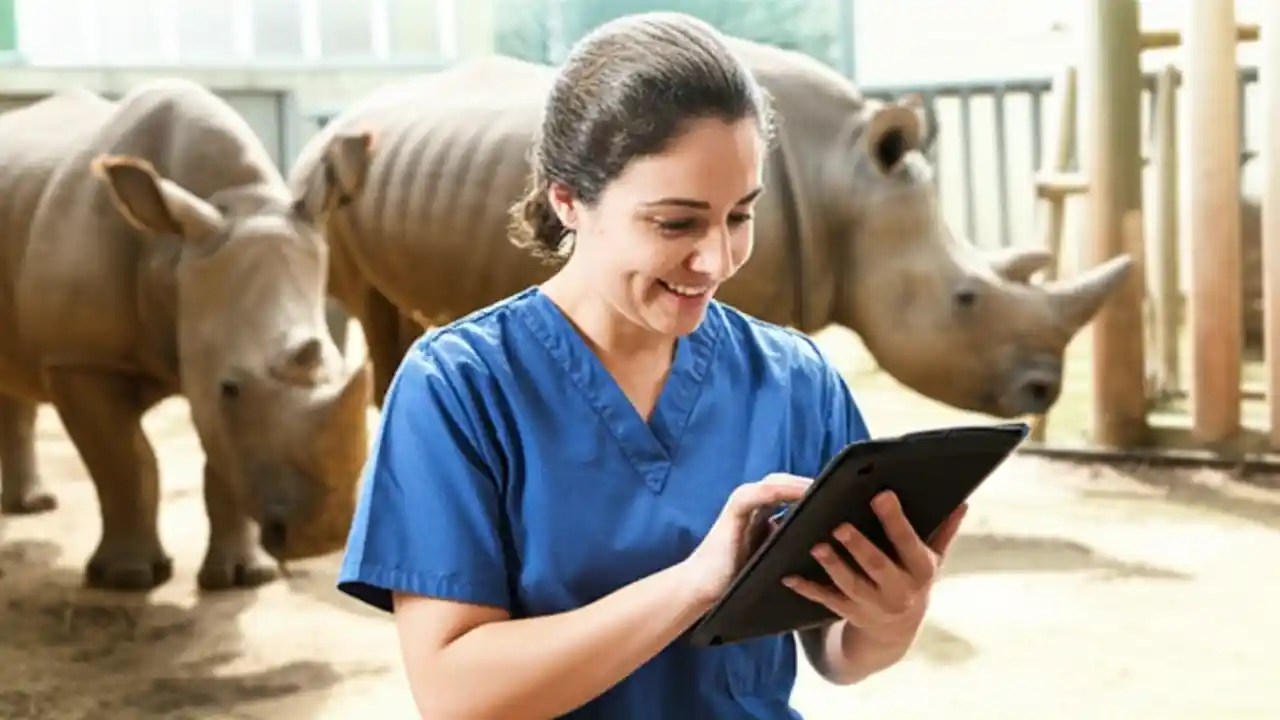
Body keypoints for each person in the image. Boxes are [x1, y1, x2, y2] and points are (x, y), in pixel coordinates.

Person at [336, 11, 968, 719]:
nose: (717, 260)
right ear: (568, 201)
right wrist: (694, 586)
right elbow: (457, 696)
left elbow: (836, 653)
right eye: (676, 223)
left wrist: (892, 615)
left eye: (740, 216)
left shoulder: (794, 381)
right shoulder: (458, 388)